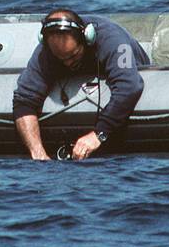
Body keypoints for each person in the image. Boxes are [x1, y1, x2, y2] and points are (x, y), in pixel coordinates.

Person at [12, 8, 150, 160]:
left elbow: (129, 86)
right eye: (61, 59)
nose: (68, 63)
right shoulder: (46, 52)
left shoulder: (111, 39)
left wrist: (98, 134)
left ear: (87, 38)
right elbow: (23, 100)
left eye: (73, 55)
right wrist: (38, 152)